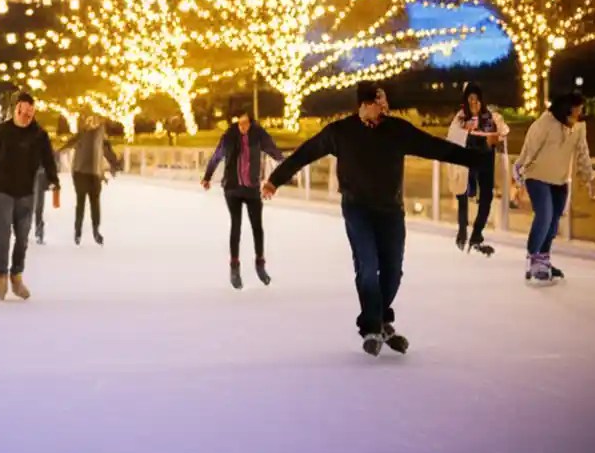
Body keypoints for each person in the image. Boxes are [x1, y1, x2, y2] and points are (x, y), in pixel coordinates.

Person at [263, 82, 483, 357]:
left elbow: (436, 147)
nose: (385, 106)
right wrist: (275, 180)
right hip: (357, 209)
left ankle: (378, 320)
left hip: (391, 210)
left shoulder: (397, 130)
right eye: (380, 101)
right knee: (368, 266)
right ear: (365, 104)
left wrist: (476, 159)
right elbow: (305, 153)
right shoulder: (340, 132)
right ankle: (372, 326)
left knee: (393, 271)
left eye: (385, 101)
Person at [0, 92, 60, 301]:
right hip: (2, 191)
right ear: (15, 110)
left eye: (30, 112)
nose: (25, 115)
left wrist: (54, 179)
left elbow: (48, 160)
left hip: (27, 193)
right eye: (22, 110)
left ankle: (16, 276)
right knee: (4, 235)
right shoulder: (0, 132)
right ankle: (1, 274)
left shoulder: (39, 135)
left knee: (22, 238)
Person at [513, 90, 595, 283]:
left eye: (580, 110)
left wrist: (589, 178)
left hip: (560, 180)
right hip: (537, 176)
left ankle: (543, 259)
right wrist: (519, 174)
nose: (579, 113)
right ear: (566, 108)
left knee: (553, 222)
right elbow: (529, 149)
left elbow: (583, 154)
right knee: (544, 216)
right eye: (576, 109)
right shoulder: (545, 123)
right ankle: (532, 260)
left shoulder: (578, 127)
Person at [202, 111, 285, 289]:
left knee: (257, 227)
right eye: (240, 123)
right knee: (236, 225)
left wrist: (287, 165)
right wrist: (207, 176)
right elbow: (217, 156)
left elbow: (273, 150)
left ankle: (260, 264)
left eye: (246, 123)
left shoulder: (258, 135)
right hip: (232, 189)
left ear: (251, 122)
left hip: (252, 189)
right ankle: (234, 268)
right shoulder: (229, 136)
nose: (243, 127)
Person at [445, 84, 509, 256]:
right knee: (463, 194)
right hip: (467, 160)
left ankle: (477, 233)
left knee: (486, 197)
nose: (473, 102)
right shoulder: (460, 120)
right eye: (470, 99)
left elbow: (499, 137)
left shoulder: (491, 118)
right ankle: (462, 229)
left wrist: (494, 138)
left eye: (476, 98)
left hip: (486, 160)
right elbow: (453, 138)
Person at [58, 115, 122, 246]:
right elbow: (67, 146)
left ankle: (93, 230)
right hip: (81, 172)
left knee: (93, 203)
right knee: (83, 202)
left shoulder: (98, 137)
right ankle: (79, 231)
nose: (93, 124)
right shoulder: (83, 134)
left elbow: (108, 153)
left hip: (92, 173)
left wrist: (115, 165)